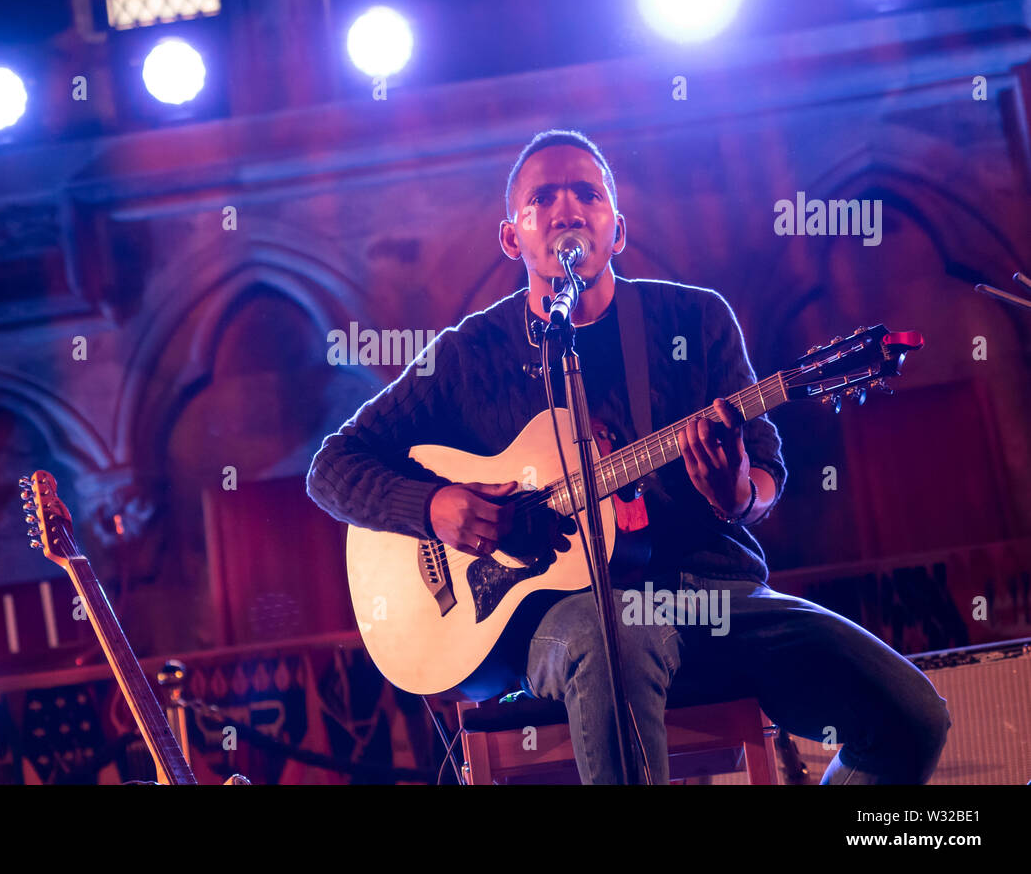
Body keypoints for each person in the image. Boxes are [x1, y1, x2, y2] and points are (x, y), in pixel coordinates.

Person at [306, 129, 950, 784]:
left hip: (715, 596)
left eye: (587, 193)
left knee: (911, 719)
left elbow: (763, 473)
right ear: (512, 237)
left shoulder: (694, 321)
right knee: (613, 628)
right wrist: (435, 506)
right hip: (561, 620)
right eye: (543, 198)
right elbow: (333, 466)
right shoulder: (471, 355)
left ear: (617, 230)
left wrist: (734, 496)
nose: (567, 210)